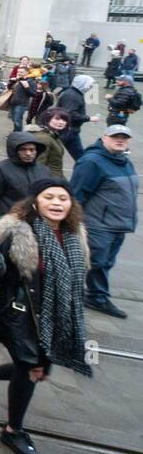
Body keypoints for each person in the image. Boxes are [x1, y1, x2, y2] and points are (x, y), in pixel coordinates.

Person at [0, 179, 93, 454]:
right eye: (49, 197)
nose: (57, 203)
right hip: (21, 314)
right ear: (35, 201)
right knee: (31, 367)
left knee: (37, 368)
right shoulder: (18, 231)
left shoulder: (74, 233)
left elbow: (75, 279)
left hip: (55, 314)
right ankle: (13, 430)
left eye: (63, 198)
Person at [71, 124, 137, 319]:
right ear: (104, 138)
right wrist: (72, 223)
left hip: (119, 224)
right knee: (96, 262)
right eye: (115, 136)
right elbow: (77, 193)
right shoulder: (92, 162)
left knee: (106, 262)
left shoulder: (124, 160)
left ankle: (93, 294)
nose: (120, 140)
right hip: (99, 224)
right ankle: (96, 297)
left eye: (124, 138)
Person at [0, 131, 52, 217]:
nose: (28, 153)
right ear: (14, 150)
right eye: (23, 149)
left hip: (38, 221)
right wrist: (1, 220)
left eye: (32, 150)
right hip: (9, 221)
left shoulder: (44, 170)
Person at [58, 73, 100, 160]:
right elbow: (70, 114)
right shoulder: (72, 95)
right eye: (89, 85)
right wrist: (89, 118)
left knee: (80, 156)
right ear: (82, 84)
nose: (90, 87)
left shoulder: (75, 93)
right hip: (67, 131)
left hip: (72, 130)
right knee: (54, 153)